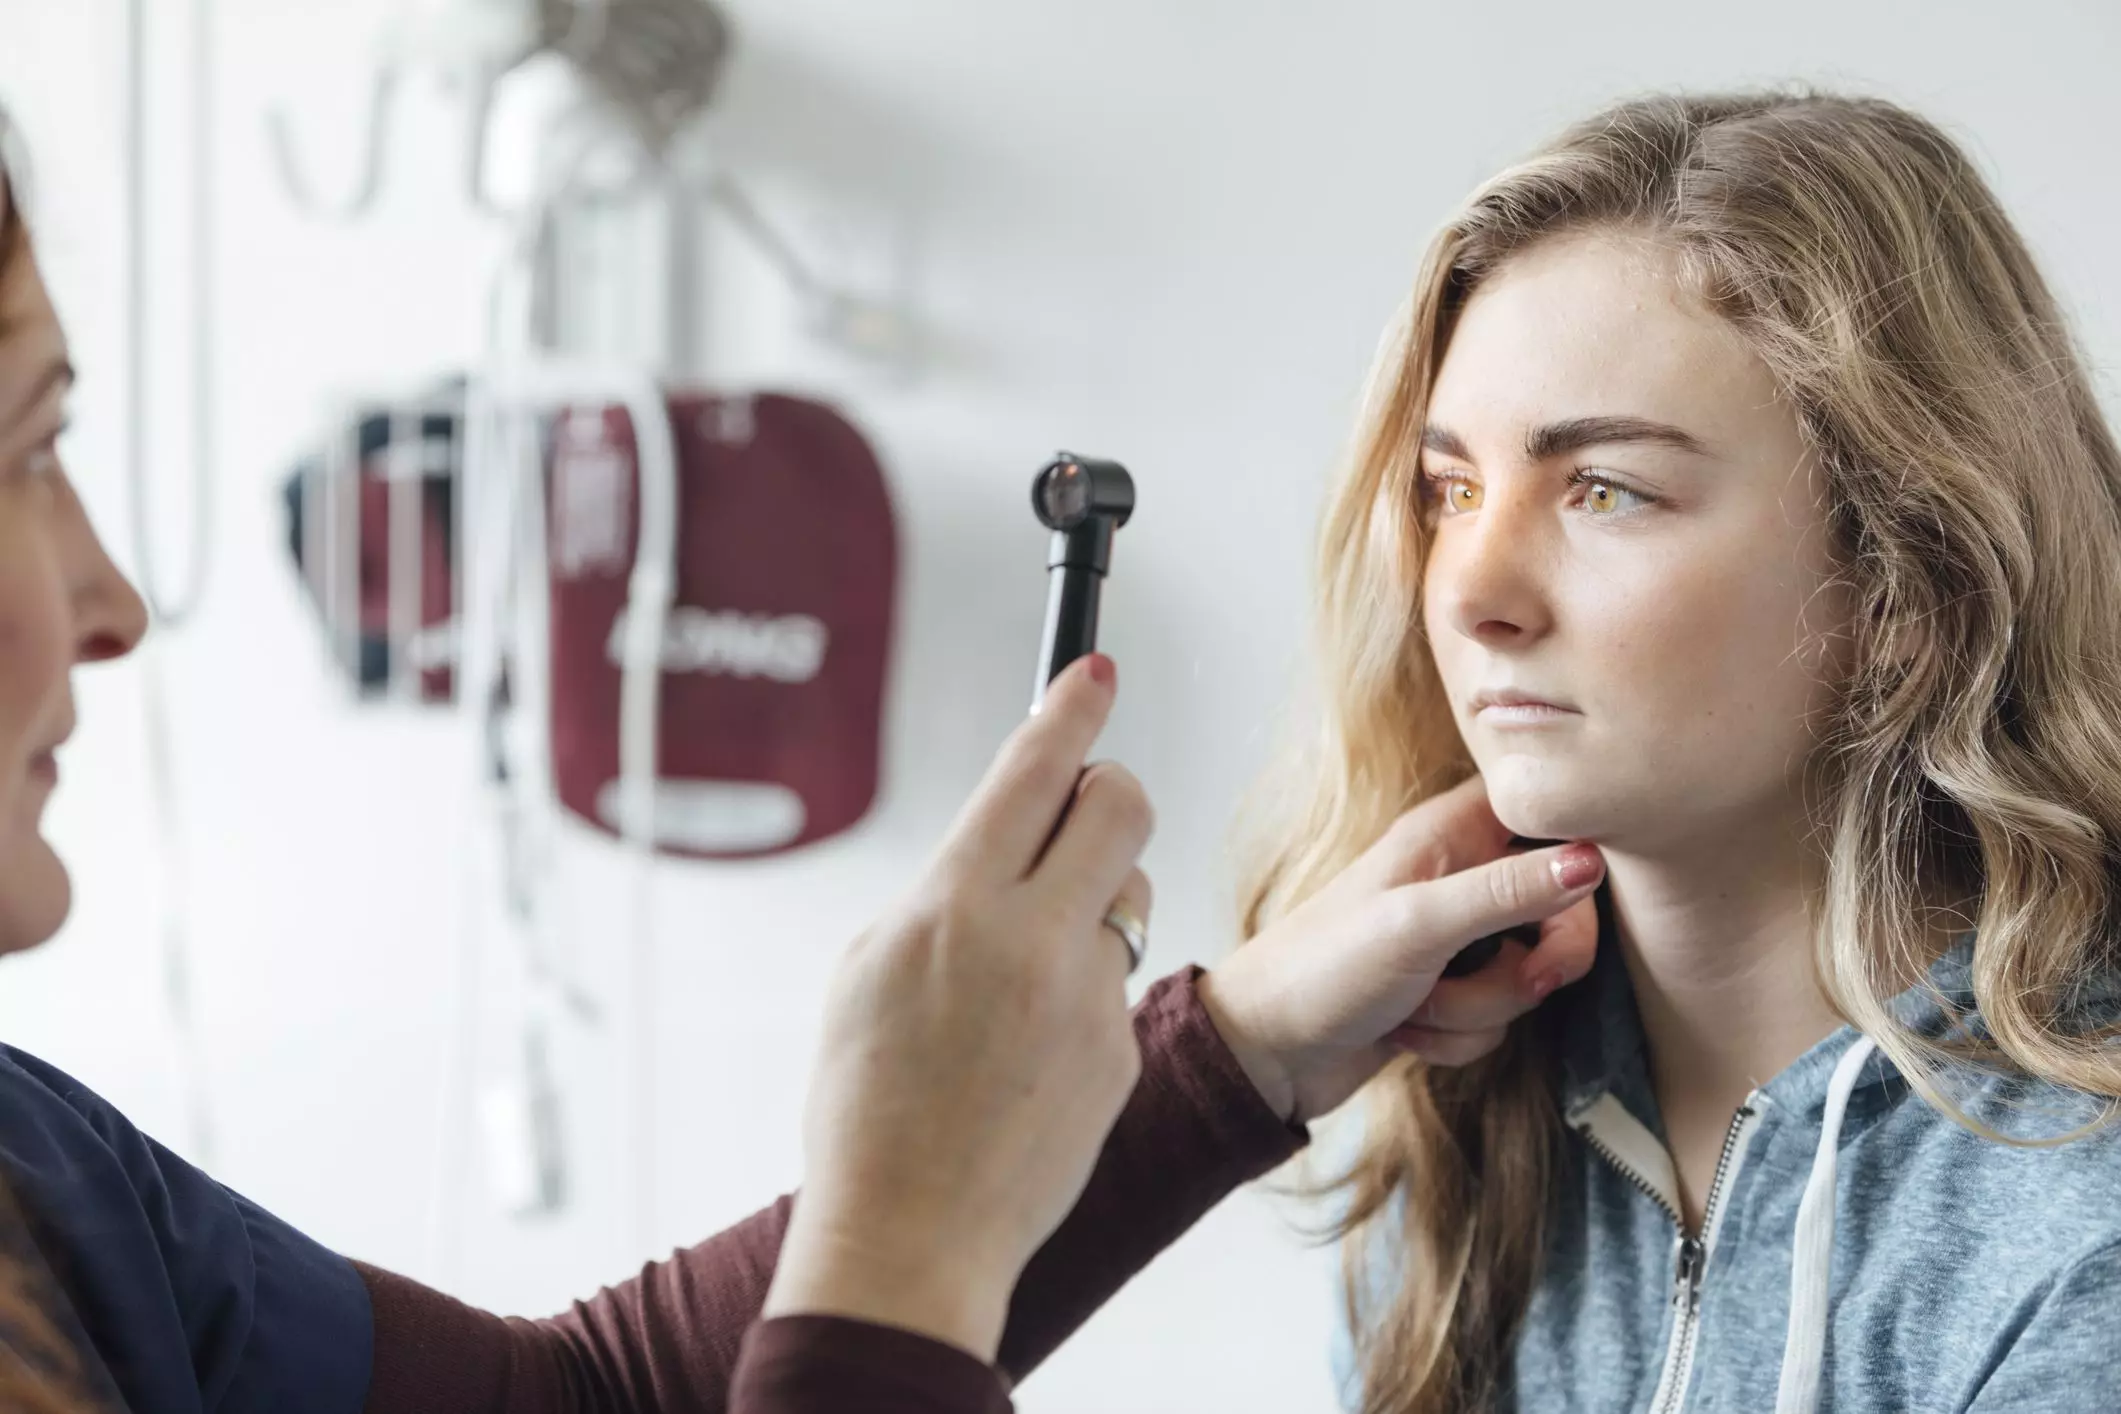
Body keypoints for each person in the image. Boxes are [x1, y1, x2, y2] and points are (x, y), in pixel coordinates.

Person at [0, 110, 1606, 1412]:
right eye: (24, 447)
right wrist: (901, 1230)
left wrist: (1234, 1050)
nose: (114, 601)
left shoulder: (34, 1168)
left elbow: (581, 1406)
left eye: (1613, 490)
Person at [1246, 89, 2121, 1413]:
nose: (1470, 589)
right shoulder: (1456, 1128)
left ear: (1903, 586)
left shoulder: (2081, 1223)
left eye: (1605, 489)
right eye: (1450, 490)